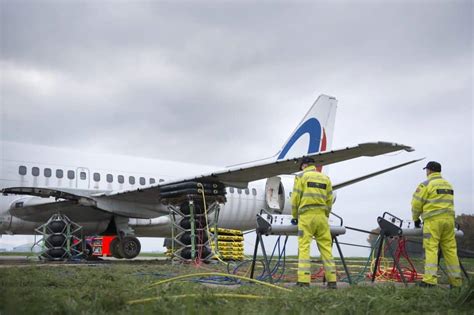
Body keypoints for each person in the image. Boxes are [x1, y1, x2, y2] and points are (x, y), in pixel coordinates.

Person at [411, 161, 462, 287]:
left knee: (431, 248)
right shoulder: (448, 184)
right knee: (450, 250)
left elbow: (416, 204)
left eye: (426, 170)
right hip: (449, 222)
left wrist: (416, 219)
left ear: (429, 170)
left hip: (433, 222)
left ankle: (430, 280)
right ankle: (456, 282)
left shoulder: (425, 184)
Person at [291, 157, 337, 289]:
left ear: (304, 165)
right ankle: (332, 280)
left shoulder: (301, 177)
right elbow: (329, 200)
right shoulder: (325, 178)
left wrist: (295, 216)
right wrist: (325, 215)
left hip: (306, 217)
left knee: (304, 247)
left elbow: (295, 199)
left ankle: (304, 281)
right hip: (322, 218)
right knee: (326, 249)